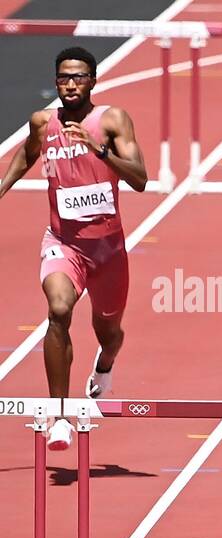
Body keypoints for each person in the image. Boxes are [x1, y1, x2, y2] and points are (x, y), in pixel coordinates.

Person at [0, 46, 147, 450]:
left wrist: (100, 151)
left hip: (108, 251)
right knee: (59, 309)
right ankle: (60, 414)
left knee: (110, 331)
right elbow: (26, 154)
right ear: (56, 81)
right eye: (63, 77)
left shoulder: (111, 120)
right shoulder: (43, 123)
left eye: (78, 77)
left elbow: (140, 179)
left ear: (93, 81)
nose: (70, 84)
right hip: (63, 244)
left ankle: (105, 364)